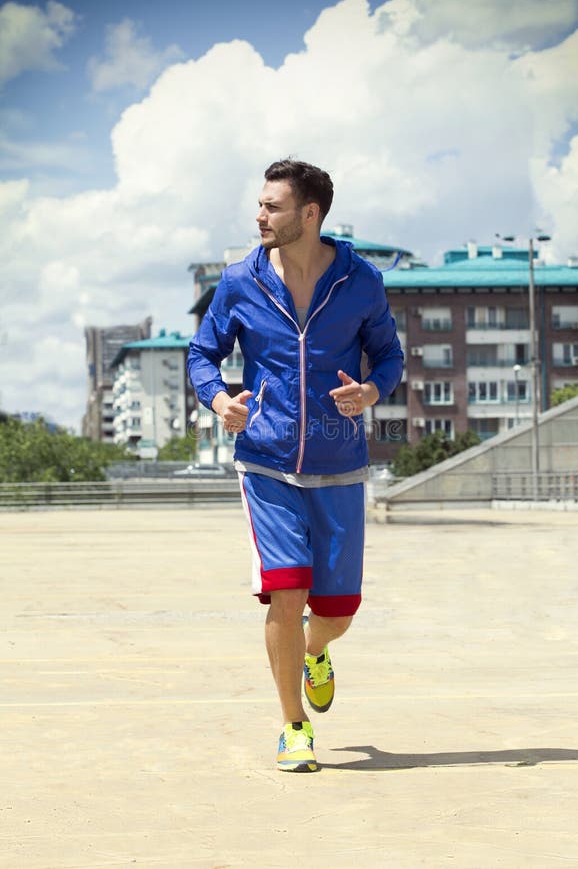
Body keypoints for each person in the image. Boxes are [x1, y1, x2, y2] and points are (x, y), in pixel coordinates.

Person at [187, 159, 404, 772]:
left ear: (309, 215)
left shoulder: (361, 282)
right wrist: (220, 398)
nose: (259, 215)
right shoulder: (239, 282)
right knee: (287, 591)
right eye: (259, 204)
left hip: (339, 462)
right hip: (267, 462)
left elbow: (388, 355)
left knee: (336, 613)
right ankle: (293, 726)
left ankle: (316, 651)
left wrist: (370, 391)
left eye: (272, 206)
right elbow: (204, 353)